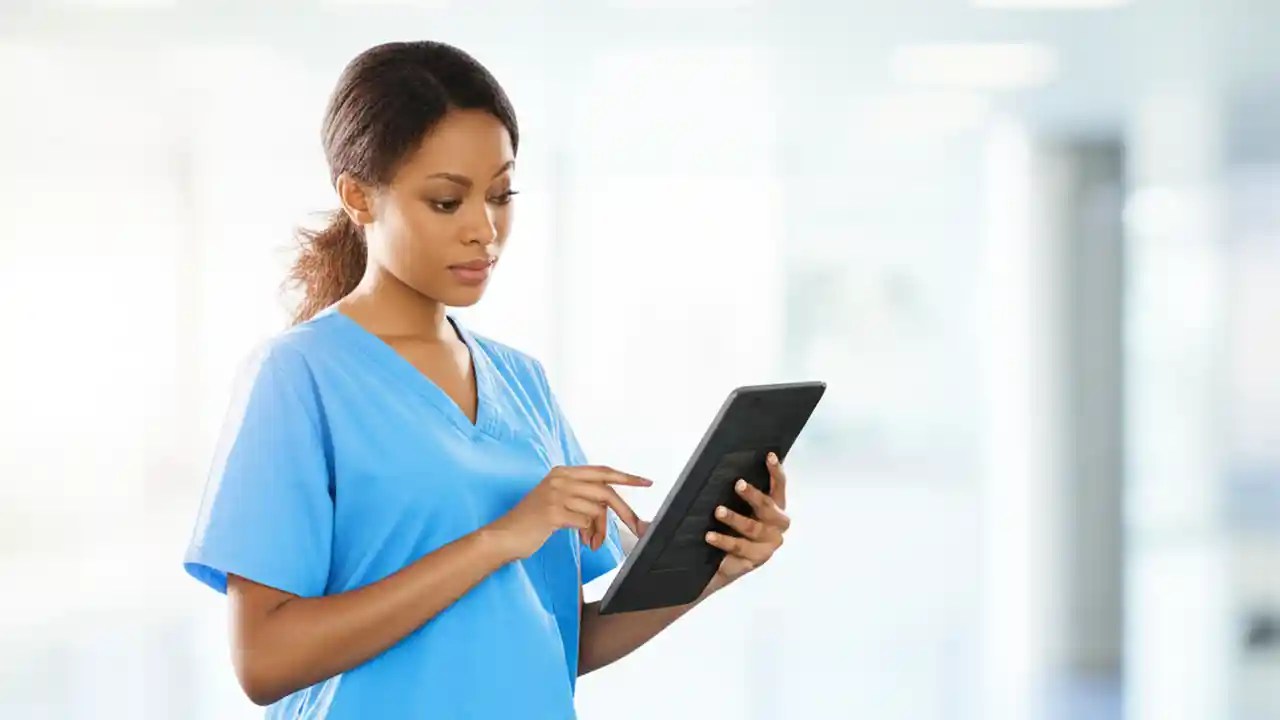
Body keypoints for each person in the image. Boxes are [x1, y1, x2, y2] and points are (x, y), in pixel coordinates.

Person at [182, 40, 793, 719]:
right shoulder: (298, 378)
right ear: (358, 197)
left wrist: (708, 573)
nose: (484, 230)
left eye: (501, 195)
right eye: (446, 202)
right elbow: (266, 661)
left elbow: (560, 640)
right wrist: (498, 538)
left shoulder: (522, 383)